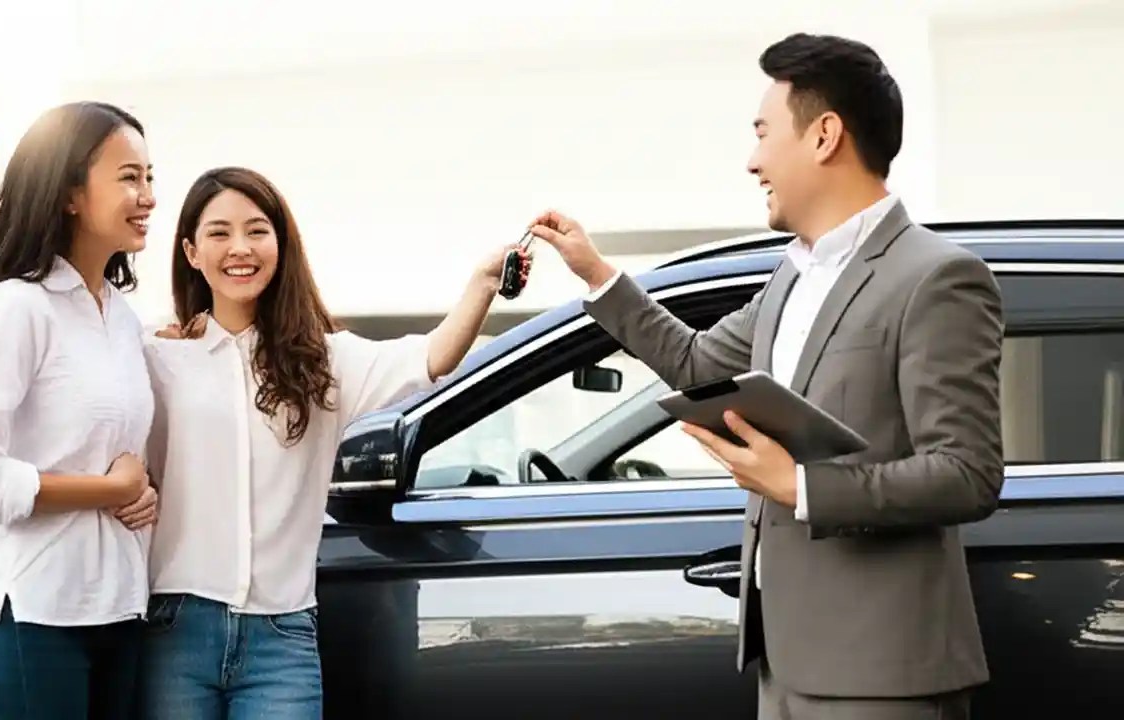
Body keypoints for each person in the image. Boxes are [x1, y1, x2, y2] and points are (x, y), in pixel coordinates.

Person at [529, 33, 1003, 720]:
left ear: (824, 136)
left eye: (762, 133)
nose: (753, 162)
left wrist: (798, 484)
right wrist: (597, 275)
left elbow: (967, 472)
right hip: (782, 664)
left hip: (883, 675)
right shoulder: (793, 274)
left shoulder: (936, 276)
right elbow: (696, 365)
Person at [137, 166, 529, 719]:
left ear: (281, 244)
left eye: (257, 230)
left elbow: (429, 359)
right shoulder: (157, 358)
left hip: (281, 638)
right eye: (219, 233)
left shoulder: (323, 360)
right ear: (191, 252)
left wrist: (485, 283)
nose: (240, 248)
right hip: (175, 629)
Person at [0, 101, 160, 719]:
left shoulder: (123, 319)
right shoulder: (18, 308)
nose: (148, 196)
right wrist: (105, 489)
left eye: (149, 177)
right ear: (69, 194)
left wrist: (142, 491)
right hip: (32, 616)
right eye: (129, 177)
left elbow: (124, 461)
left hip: (120, 609)